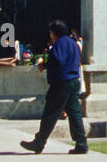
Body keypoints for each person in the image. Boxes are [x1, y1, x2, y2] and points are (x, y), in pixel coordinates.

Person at [21, 20, 88, 154]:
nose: (50, 35)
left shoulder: (60, 43)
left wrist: (44, 65)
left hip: (62, 82)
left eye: (51, 32)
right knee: (75, 113)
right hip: (74, 81)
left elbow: (58, 61)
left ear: (55, 33)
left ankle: (39, 142)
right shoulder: (73, 43)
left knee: (50, 113)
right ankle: (81, 143)